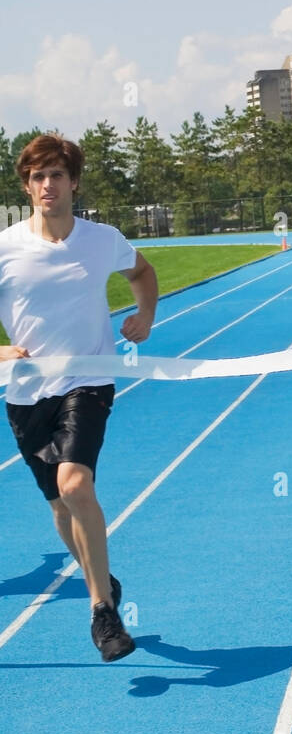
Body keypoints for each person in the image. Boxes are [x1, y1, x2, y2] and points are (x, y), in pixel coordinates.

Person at [0, 134, 158, 659]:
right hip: (25, 395)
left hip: (88, 381)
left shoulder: (101, 238)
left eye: (57, 175)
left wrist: (146, 314)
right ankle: (104, 580)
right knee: (59, 505)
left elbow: (142, 272)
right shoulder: (6, 247)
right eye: (39, 176)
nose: (49, 184)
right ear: (27, 185)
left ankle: (101, 612)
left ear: (73, 182)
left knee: (75, 483)